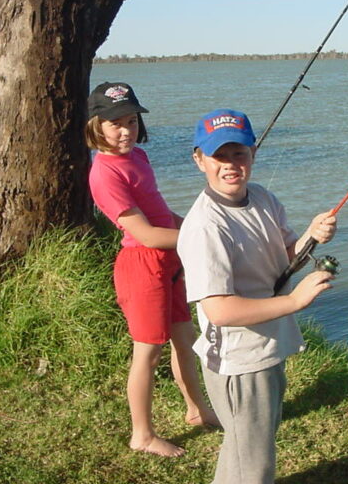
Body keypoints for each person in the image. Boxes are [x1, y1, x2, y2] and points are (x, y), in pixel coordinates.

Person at [176, 108, 337, 483]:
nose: (230, 165)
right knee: (255, 465)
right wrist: (296, 302)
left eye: (239, 153)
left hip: (267, 348)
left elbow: (283, 256)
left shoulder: (262, 198)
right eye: (219, 155)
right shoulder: (205, 227)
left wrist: (312, 236)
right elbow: (219, 310)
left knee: (245, 446)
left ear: (253, 155)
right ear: (199, 159)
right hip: (240, 361)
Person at [84, 81, 218, 458]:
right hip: (141, 264)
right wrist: (197, 240)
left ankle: (197, 409)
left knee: (184, 338)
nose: (125, 130)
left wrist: (195, 226)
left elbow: (160, 212)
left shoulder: (137, 158)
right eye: (115, 124)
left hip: (169, 259)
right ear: (96, 126)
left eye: (131, 121)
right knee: (148, 352)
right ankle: (141, 434)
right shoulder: (105, 174)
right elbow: (142, 232)